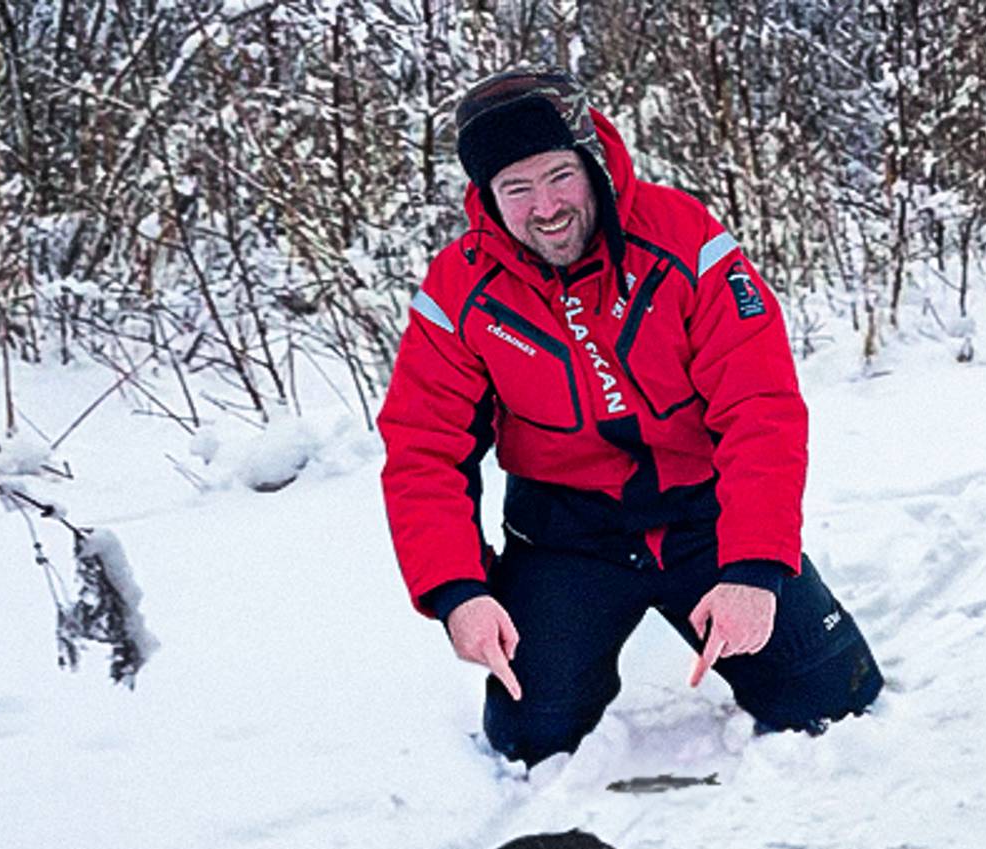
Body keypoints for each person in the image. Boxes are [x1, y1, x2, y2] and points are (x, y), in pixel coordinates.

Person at [378, 67, 882, 766]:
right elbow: (422, 451)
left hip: (704, 517)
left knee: (836, 697)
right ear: (487, 200)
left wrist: (756, 568)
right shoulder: (458, 288)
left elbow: (758, 409)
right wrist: (457, 591)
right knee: (529, 738)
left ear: (592, 163)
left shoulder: (684, 240)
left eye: (559, 176)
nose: (545, 207)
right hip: (565, 537)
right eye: (515, 189)